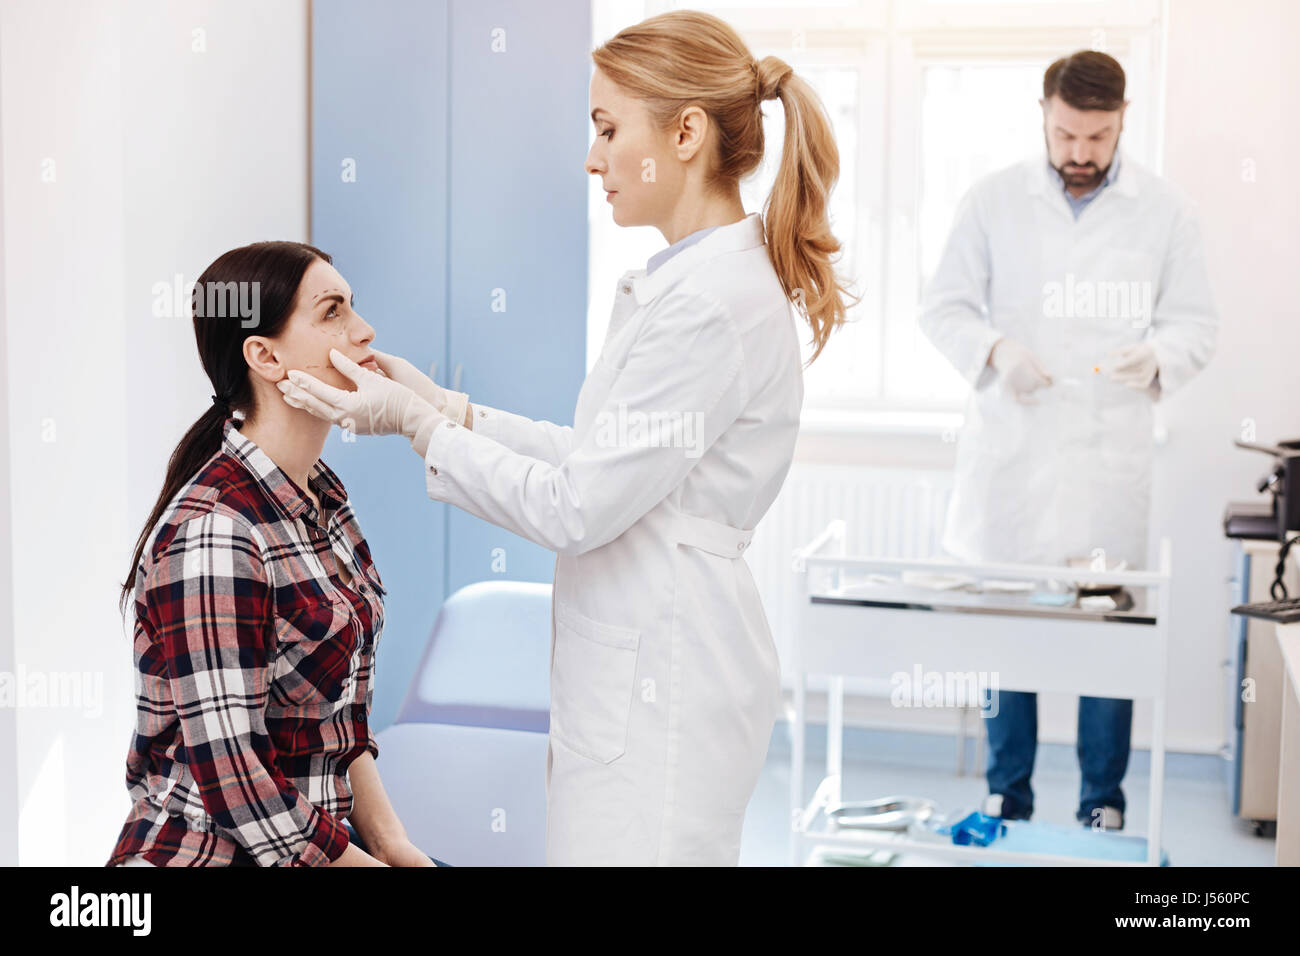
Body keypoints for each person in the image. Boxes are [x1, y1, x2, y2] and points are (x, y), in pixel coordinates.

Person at [279, 10, 855, 865]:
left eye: (608, 128)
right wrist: (453, 410)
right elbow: (599, 458)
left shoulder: (707, 304)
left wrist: (416, 425)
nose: (592, 158)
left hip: (667, 682)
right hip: (652, 662)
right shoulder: (689, 285)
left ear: (686, 133)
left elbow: (578, 505)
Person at [919, 50, 1217, 830]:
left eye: (1098, 137)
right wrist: (994, 353)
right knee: (1006, 632)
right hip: (1012, 458)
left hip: (1105, 462)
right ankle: (1006, 792)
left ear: (1122, 122)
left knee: (1104, 637)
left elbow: (1196, 324)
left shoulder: (1166, 213)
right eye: (1066, 135)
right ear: (1043, 115)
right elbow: (942, 306)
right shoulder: (991, 202)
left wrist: (1159, 357)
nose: (1080, 154)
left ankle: (1102, 802)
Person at [107, 241, 444, 867]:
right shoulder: (216, 532)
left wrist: (394, 845)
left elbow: (340, 719)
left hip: (324, 846)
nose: (364, 330)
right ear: (264, 355)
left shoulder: (322, 494)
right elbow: (236, 781)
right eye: (333, 312)